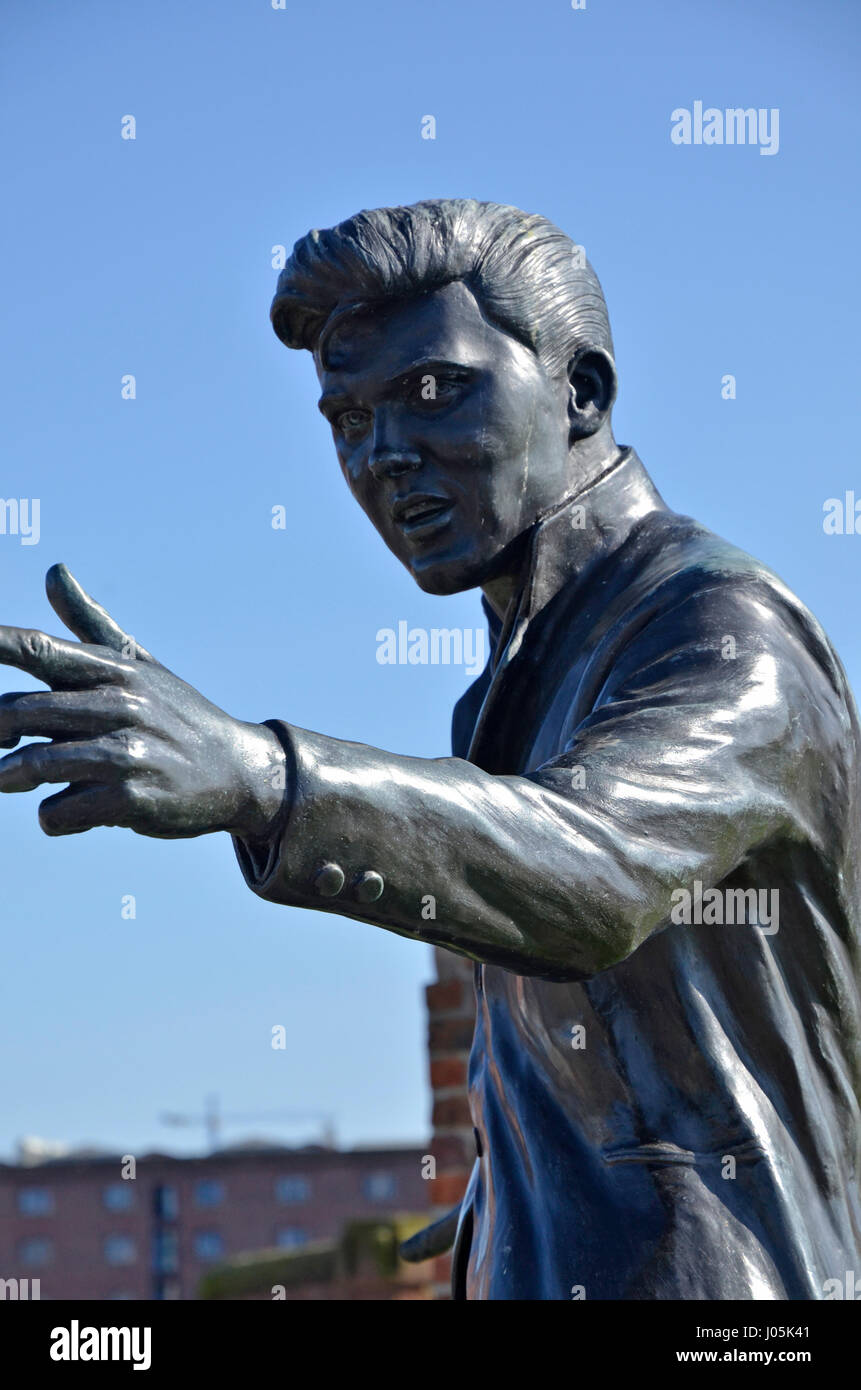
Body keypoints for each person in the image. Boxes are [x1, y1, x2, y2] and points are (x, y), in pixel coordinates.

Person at [2, 200, 859, 1299]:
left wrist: (264, 779)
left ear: (580, 391)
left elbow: (593, 870)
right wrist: (511, 1199)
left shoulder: (721, 628)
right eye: (347, 418)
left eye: (434, 391)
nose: (386, 455)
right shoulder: (502, 693)